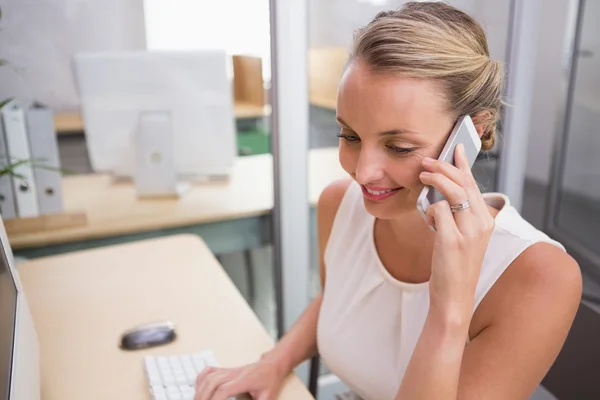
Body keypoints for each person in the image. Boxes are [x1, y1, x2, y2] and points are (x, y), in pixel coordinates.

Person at [194, 2, 582, 399]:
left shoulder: (542, 276)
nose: (362, 173)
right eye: (350, 136)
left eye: (397, 147)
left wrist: (450, 304)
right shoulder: (340, 205)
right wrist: (273, 362)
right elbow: (339, 298)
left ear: (470, 133)